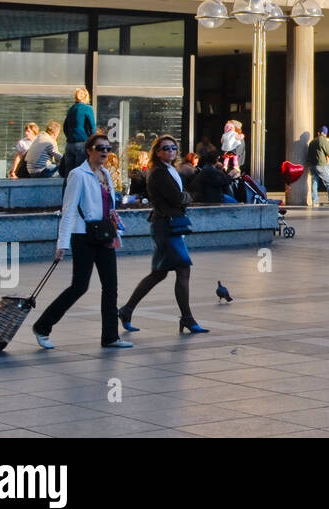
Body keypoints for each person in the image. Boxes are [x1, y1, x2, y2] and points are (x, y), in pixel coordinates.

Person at [32, 133, 132, 350]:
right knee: (79, 286)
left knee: (111, 286)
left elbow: (108, 208)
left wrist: (116, 228)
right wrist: (62, 243)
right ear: (89, 150)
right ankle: (42, 326)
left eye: (107, 148)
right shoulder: (78, 175)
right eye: (100, 148)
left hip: (104, 235)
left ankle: (110, 337)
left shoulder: (105, 174)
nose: (104, 152)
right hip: (83, 235)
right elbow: (68, 210)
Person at [117, 134, 208, 335]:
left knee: (159, 273)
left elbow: (179, 197)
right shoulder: (158, 172)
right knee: (183, 269)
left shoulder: (168, 170)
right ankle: (187, 318)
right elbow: (177, 198)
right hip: (166, 226)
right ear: (157, 152)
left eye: (173, 148)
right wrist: (187, 197)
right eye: (166, 148)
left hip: (168, 224)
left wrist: (184, 197)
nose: (170, 151)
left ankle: (127, 310)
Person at [59, 88, 96, 177]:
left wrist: (70, 136)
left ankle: (67, 191)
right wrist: (93, 142)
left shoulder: (71, 109)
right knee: (80, 173)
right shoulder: (87, 108)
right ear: (86, 97)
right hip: (82, 144)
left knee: (69, 175)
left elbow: (65, 127)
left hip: (69, 145)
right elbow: (92, 127)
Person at [308, 125, 329, 206]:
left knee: (314, 182)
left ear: (318, 133)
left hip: (312, 165)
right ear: (325, 134)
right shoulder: (323, 141)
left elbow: (309, 154)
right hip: (321, 165)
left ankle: (315, 201)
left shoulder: (312, 141)